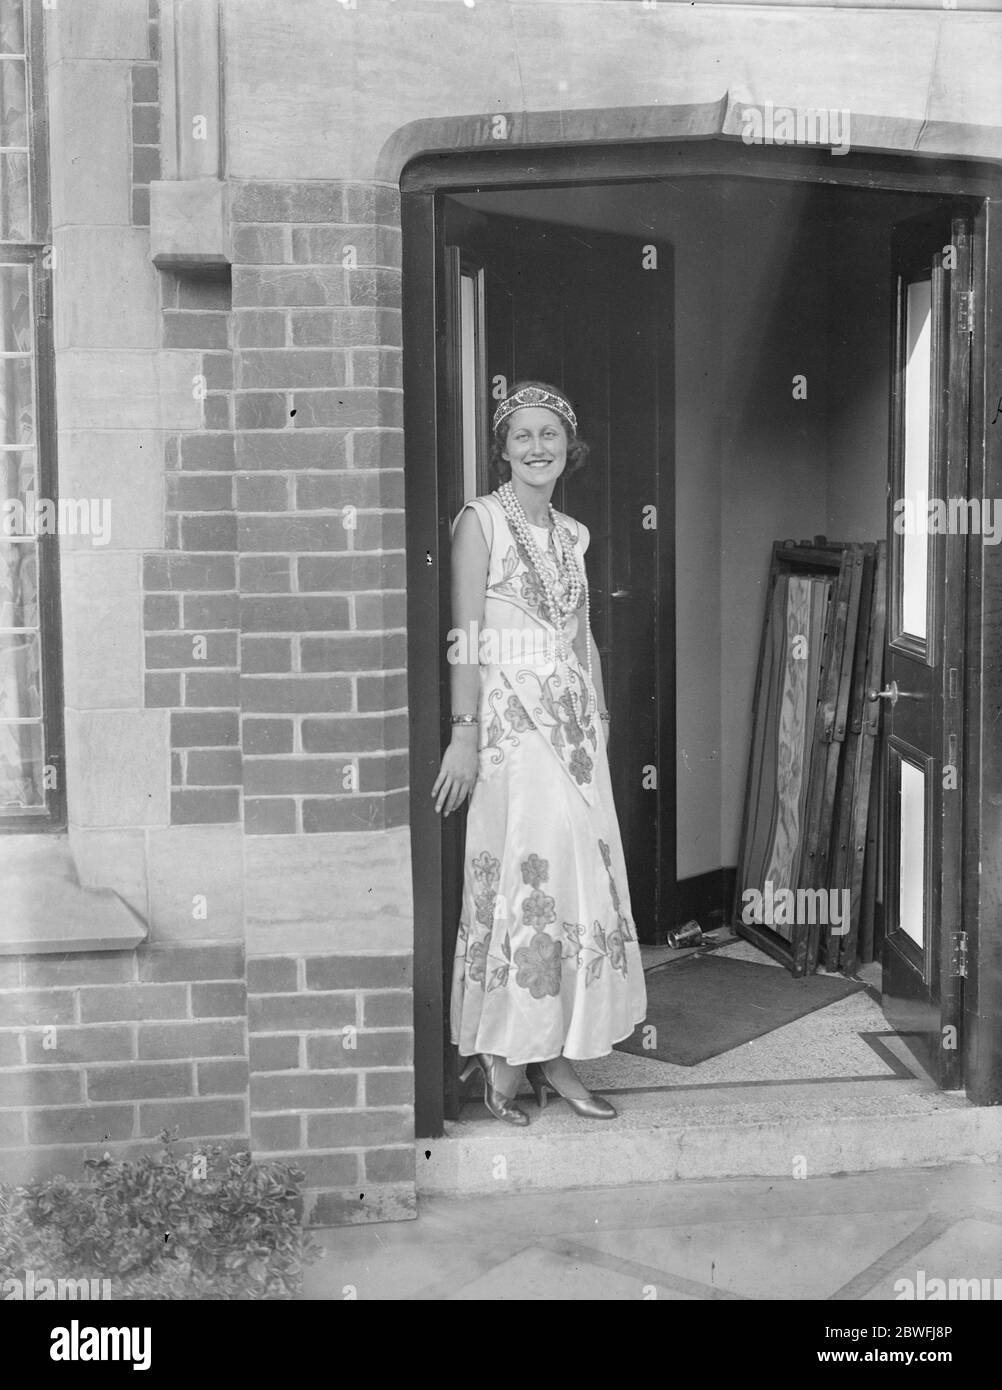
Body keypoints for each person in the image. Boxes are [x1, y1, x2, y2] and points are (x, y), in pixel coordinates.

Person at [432, 380, 647, 1125]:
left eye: (548, 434)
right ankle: (503, 1057)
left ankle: (557, 1057)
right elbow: (464, 633)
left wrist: (601, 708)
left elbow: (579, 630)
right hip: (508, 729)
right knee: (525, 878)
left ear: (569, 446)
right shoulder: (479, 522)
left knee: (577, 879)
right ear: (503, 446)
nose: (536, 446)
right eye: (521, 435)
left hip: (575, 734)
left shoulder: (573, 534)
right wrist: (463, 732)